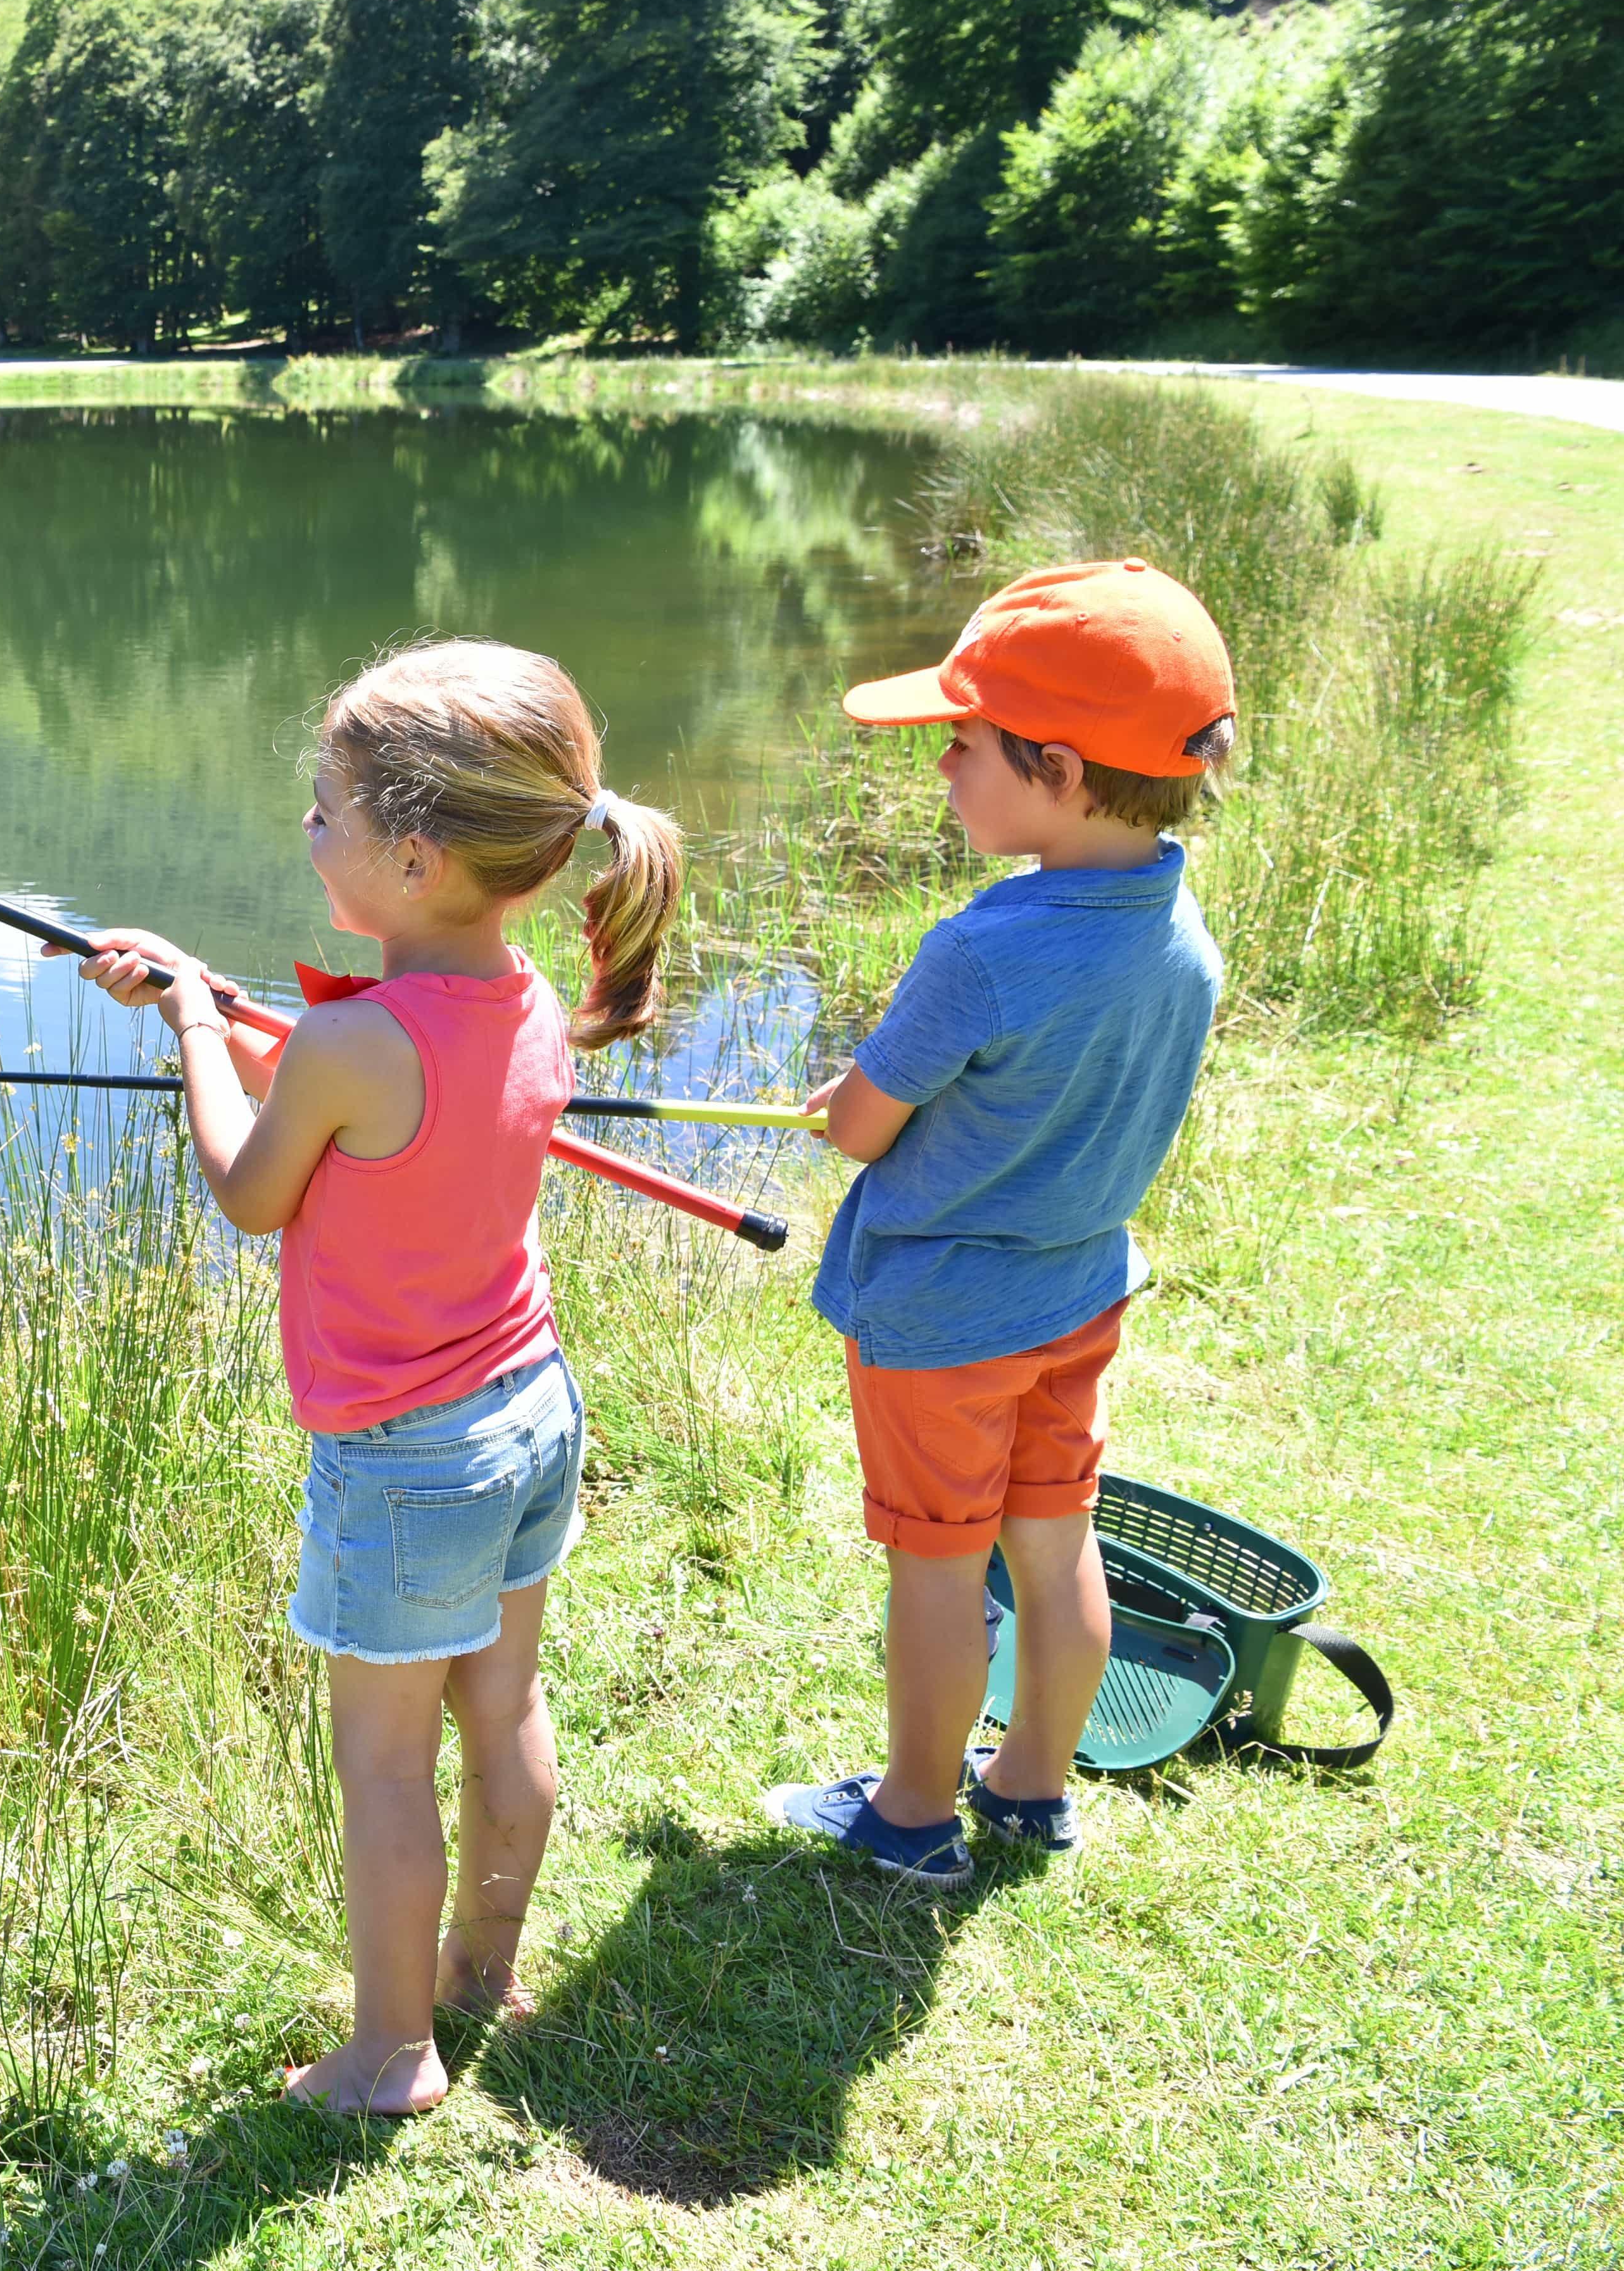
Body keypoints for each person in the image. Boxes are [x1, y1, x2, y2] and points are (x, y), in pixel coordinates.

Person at [64, 640, 684, 2115]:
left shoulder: (345, 1043)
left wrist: (198, 1023)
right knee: (506, 1700)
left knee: (385, 1767)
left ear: (413, 856)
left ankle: (393, 2051)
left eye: (325, 810)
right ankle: (483, 1969)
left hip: (407, 1458)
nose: (306, 830)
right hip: (530, 1408)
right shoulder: (530, 998)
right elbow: (407, 1079)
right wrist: (264, 1027)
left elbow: (249, 1186)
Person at [759, 558, 1235, 1884]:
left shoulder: (982, 946)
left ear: (1062, 771)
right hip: (1078, 1291)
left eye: (962, 747)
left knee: (938, 1567)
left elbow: (861, 1126)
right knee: (1055, 1534)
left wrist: (847, 1097)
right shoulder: (1179, 926)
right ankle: (1029, 1785)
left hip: (945, 1318)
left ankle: (911, 1815)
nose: (943, 771)